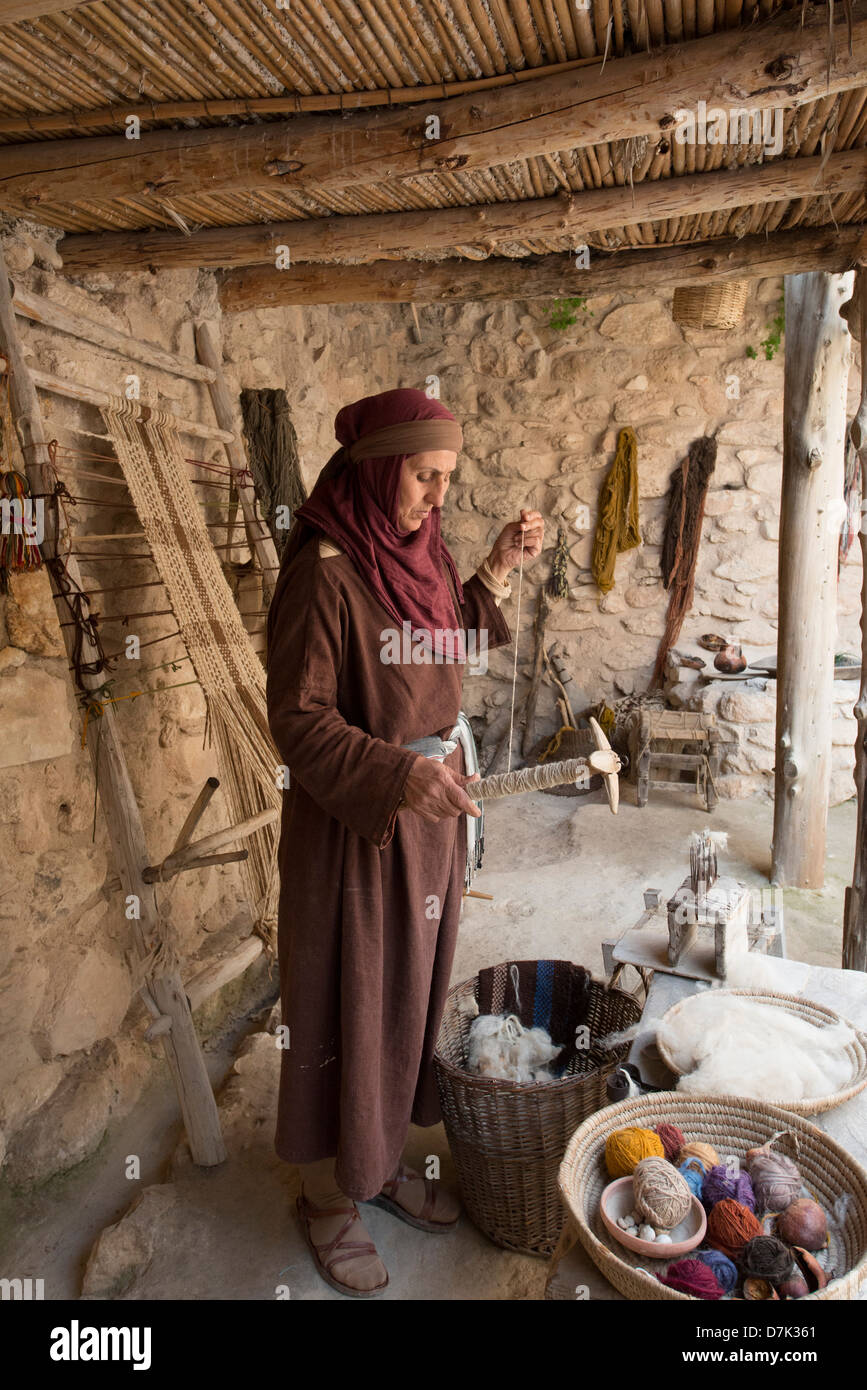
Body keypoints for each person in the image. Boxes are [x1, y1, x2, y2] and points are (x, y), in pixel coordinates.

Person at [266, 387, 544, 1296]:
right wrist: (396, 776)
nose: (437, 497)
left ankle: (376, 1166)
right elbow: (298, 721)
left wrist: (495, 570)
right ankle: (323, 1194)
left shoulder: (417, 557)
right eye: (424, 476)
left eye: (445, 479)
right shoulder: (326, 571)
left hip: (424, 823)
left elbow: (429, 645)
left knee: (404, 998)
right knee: (346, 998)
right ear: (381, 467)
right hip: (355, 831)